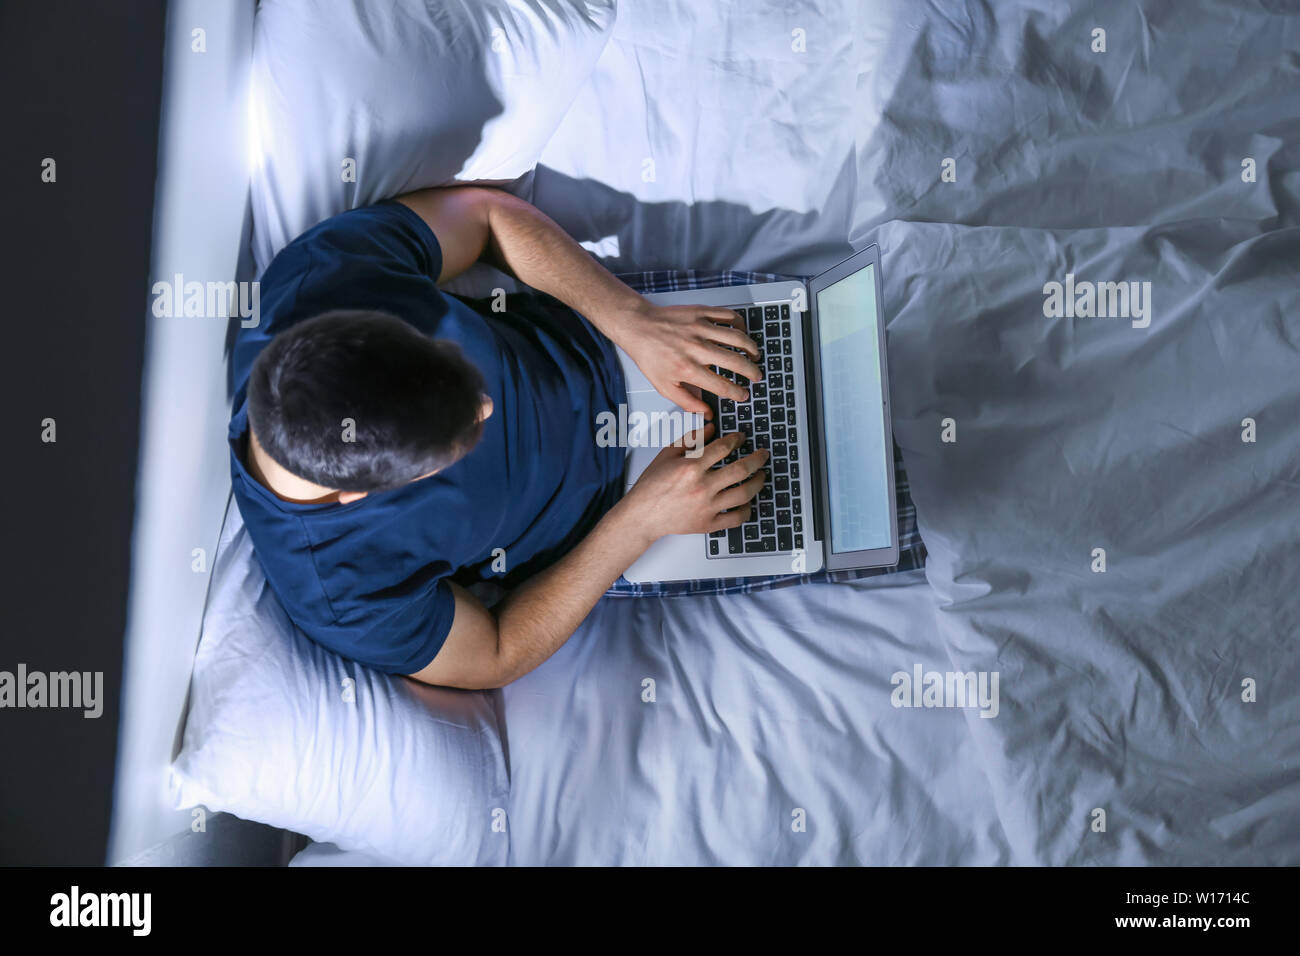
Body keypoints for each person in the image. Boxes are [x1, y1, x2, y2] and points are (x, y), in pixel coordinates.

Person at [229, 186, 768, 689]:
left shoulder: (322, 278)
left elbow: (485, 215)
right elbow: (495, 654)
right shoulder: (341, 593)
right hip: (620, 518)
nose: (487, 405)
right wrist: (640, 524)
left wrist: (635, 320)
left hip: (613, 332)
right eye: (458, 438)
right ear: (358, 492)